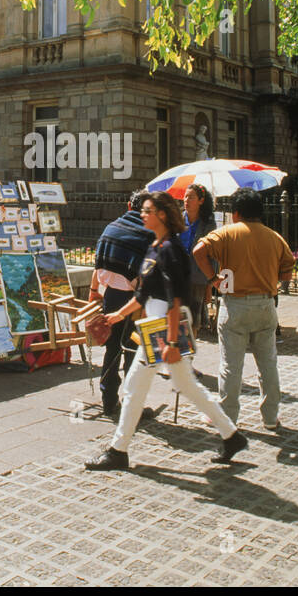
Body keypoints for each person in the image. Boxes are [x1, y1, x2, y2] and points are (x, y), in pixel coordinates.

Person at [85, 191, 247, 471]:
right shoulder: (156, 246)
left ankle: (118, 451)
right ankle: (231, 436)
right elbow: (143, 294)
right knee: (185, 387)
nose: (142, 215)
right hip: (158, 324)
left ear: (161, 215)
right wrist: (116, 316)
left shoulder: (170, 250)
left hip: (165, 326)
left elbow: (175, 299)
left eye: (147, 211)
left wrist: (171, 341)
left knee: (139, 387)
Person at [192, 187, 295, 430]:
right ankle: (270, 418)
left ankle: (228, 418)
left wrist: (212, 278)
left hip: (235, 305)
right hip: (266, 305)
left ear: (236, 212)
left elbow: (198, 251)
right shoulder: (274, 237)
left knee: (231, 365)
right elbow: (287, 270)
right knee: (268, 363)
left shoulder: (226, 233)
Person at [87, 189, 156, 418]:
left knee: (112, 348)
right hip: (134, 301)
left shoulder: (111, 228)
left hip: (110, 297)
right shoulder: (149, 233)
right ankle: (131, 404)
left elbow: (98, 264)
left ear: (129, 205)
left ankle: (108, 400)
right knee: (132, 352)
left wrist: (94, 291)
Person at [183, 183, 218, 334]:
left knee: (192, 323)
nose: (186, 200)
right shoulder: (178, 219)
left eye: (191, 197)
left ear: (201, 201)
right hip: (179, 277)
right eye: (185, 196)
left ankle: (188, 353)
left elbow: (212, 255)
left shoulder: (208, 224)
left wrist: (209, 284)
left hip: (197, 279)